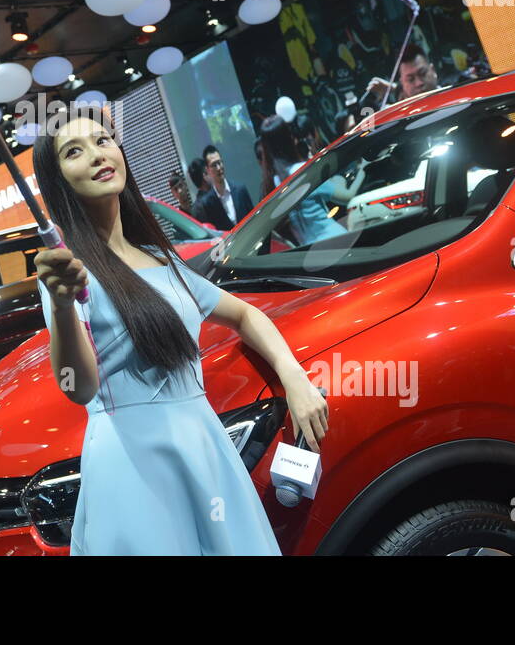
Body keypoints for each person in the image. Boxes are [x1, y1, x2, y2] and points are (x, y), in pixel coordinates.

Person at [30, 104, 328, 555]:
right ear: (58, 180)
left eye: (103, 140)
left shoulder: (162, 259)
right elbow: (80, 386)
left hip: (203, 445)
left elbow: (246, 315)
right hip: (131, 463)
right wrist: (61, 301)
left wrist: (294, 376)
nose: (96, 154)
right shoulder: (68, 274)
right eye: (75, 150)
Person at [365, 45, 460, 109]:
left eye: (423, 73)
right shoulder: (398, 119)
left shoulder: (457, 98)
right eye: (410, 79)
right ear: (402, 83)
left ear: (433, 70)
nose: (419, 83)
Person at [194, 144, 255, 231]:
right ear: (207, 170)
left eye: (220, 162)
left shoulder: (240, 190)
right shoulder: (207, 203)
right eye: (214, 165)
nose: (219, 168)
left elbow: (254, 219)